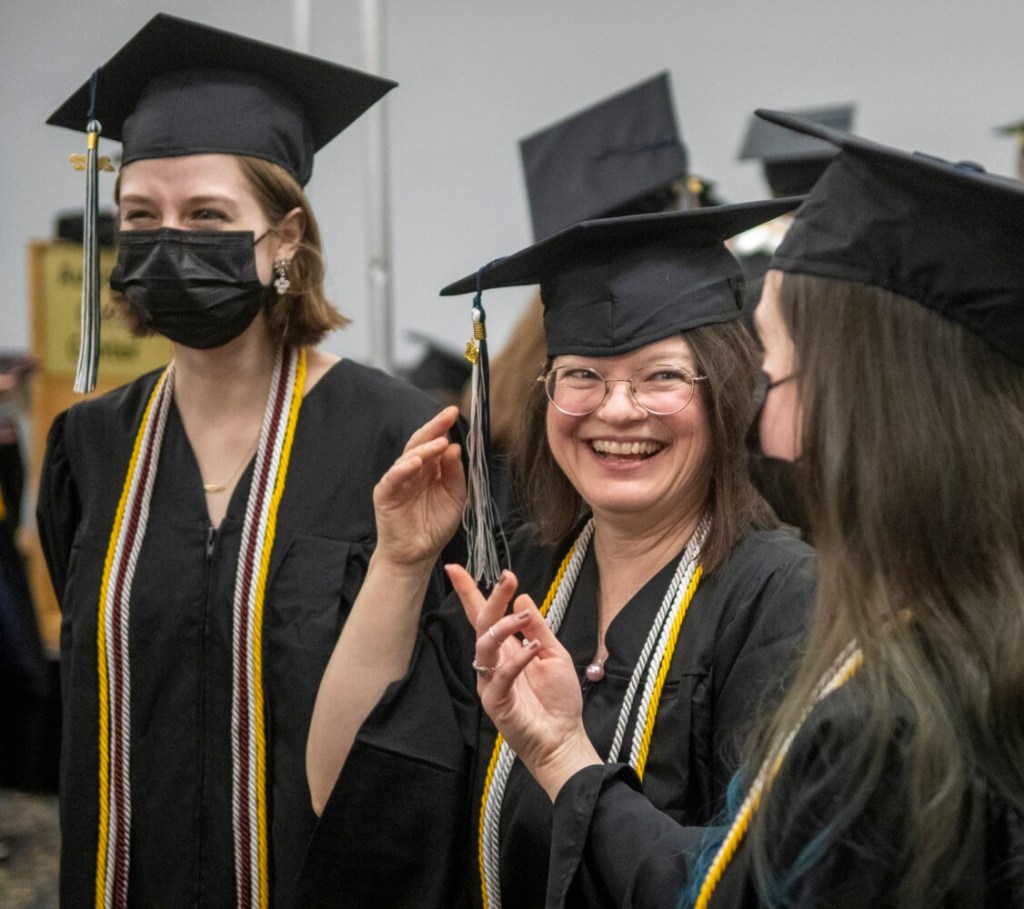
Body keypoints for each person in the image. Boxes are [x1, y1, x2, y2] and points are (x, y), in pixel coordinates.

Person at [463, 111, 1024, 908]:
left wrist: (564, 759)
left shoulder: (885, 706)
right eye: (582, 375)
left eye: (779, 377)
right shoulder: (955, 652)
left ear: (872, 408)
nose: (765, 426)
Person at [37, 13, 462, 908]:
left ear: (286, 237)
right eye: (140, 217)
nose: (169, 240)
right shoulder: (91, 446)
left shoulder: (402, 441)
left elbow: (438, 729)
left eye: (208, 215)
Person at [301, 197, 817, 908]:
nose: (617, 408)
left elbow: (761, 881)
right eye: (582, 374)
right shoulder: (517, 584)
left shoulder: (785, 599)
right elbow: (350, 791)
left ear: (725, 392)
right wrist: (401, 560)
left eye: (663, 376)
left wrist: (563, 755)